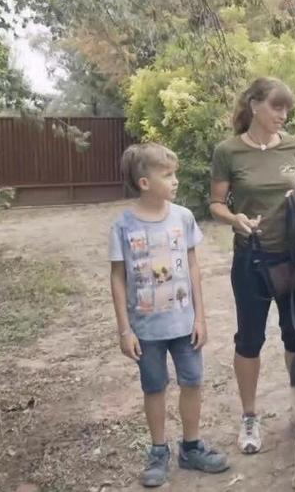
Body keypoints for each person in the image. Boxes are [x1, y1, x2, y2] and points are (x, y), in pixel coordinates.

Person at [109, 143, 229, 488]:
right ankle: (158, 451)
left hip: (184, 325)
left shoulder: (183, 217)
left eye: (175, 173)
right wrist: (124, 330)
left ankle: (191, 448)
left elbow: (192, 266)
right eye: (168, 174)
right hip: (146, 330)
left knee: (192, 381)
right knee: (154, 387)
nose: (175, 180)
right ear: (145, 183)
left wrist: (201, 317)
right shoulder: (123, 225)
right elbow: (117, 277)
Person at [209, 77, 295, 455]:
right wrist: (235, 218)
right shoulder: (228, 151)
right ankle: (250, 417)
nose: (282, 115)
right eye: (276, 107)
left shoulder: (294, 145)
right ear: (254, 105)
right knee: (249, 340)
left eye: (286, 108)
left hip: (292, 256)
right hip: (251, 257)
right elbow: (216, 204)